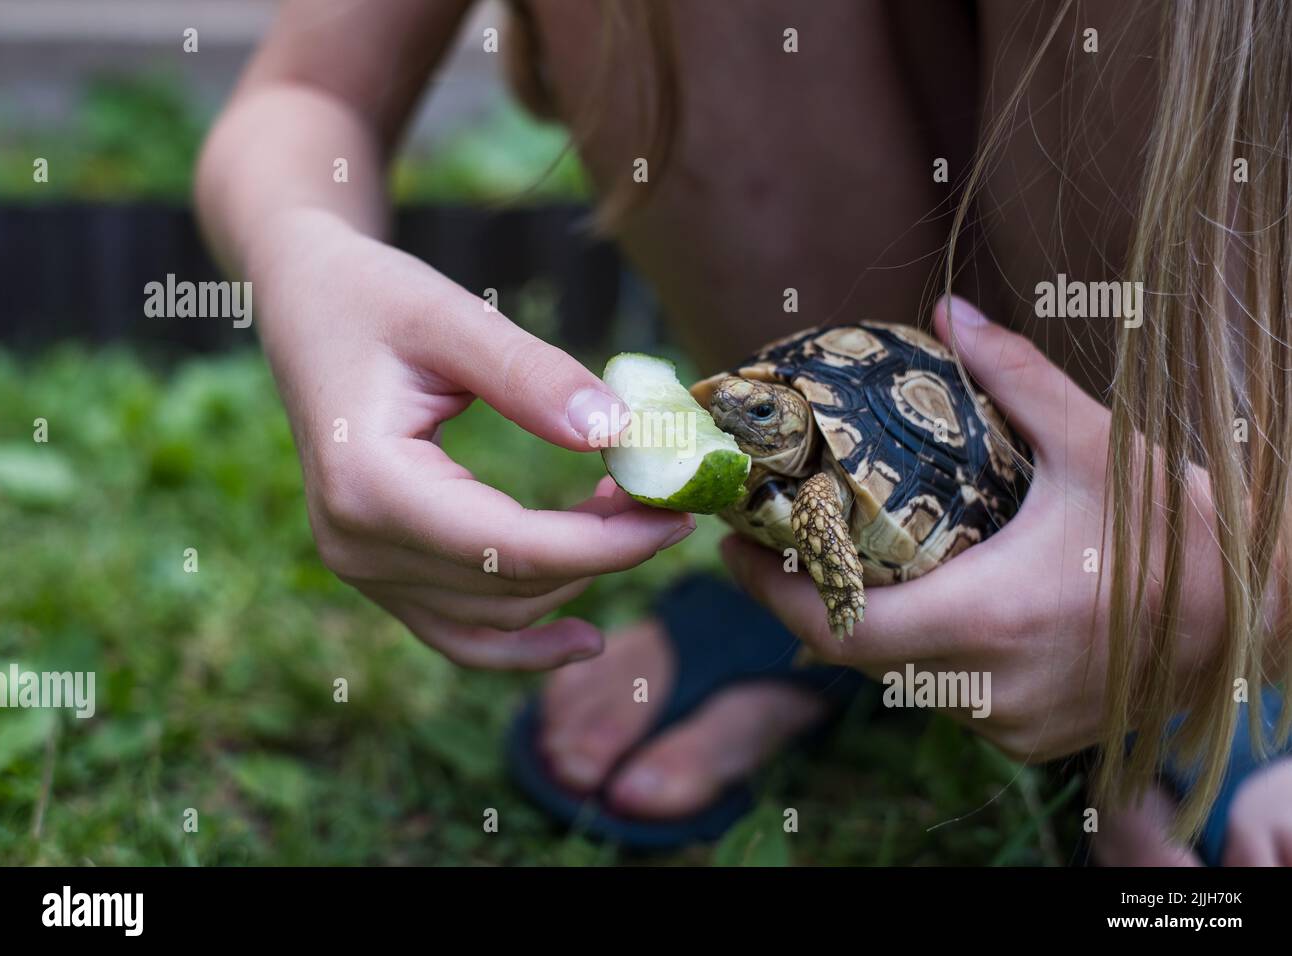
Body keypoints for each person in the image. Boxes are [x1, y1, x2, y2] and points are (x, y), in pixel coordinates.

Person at [195, 0, 1292, 864]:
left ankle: (1214, 594)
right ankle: (830, 631)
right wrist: (307, 259)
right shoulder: (770, 432)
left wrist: (1265, 572)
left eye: (755, 415)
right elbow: (301, 93)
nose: (739, 419)